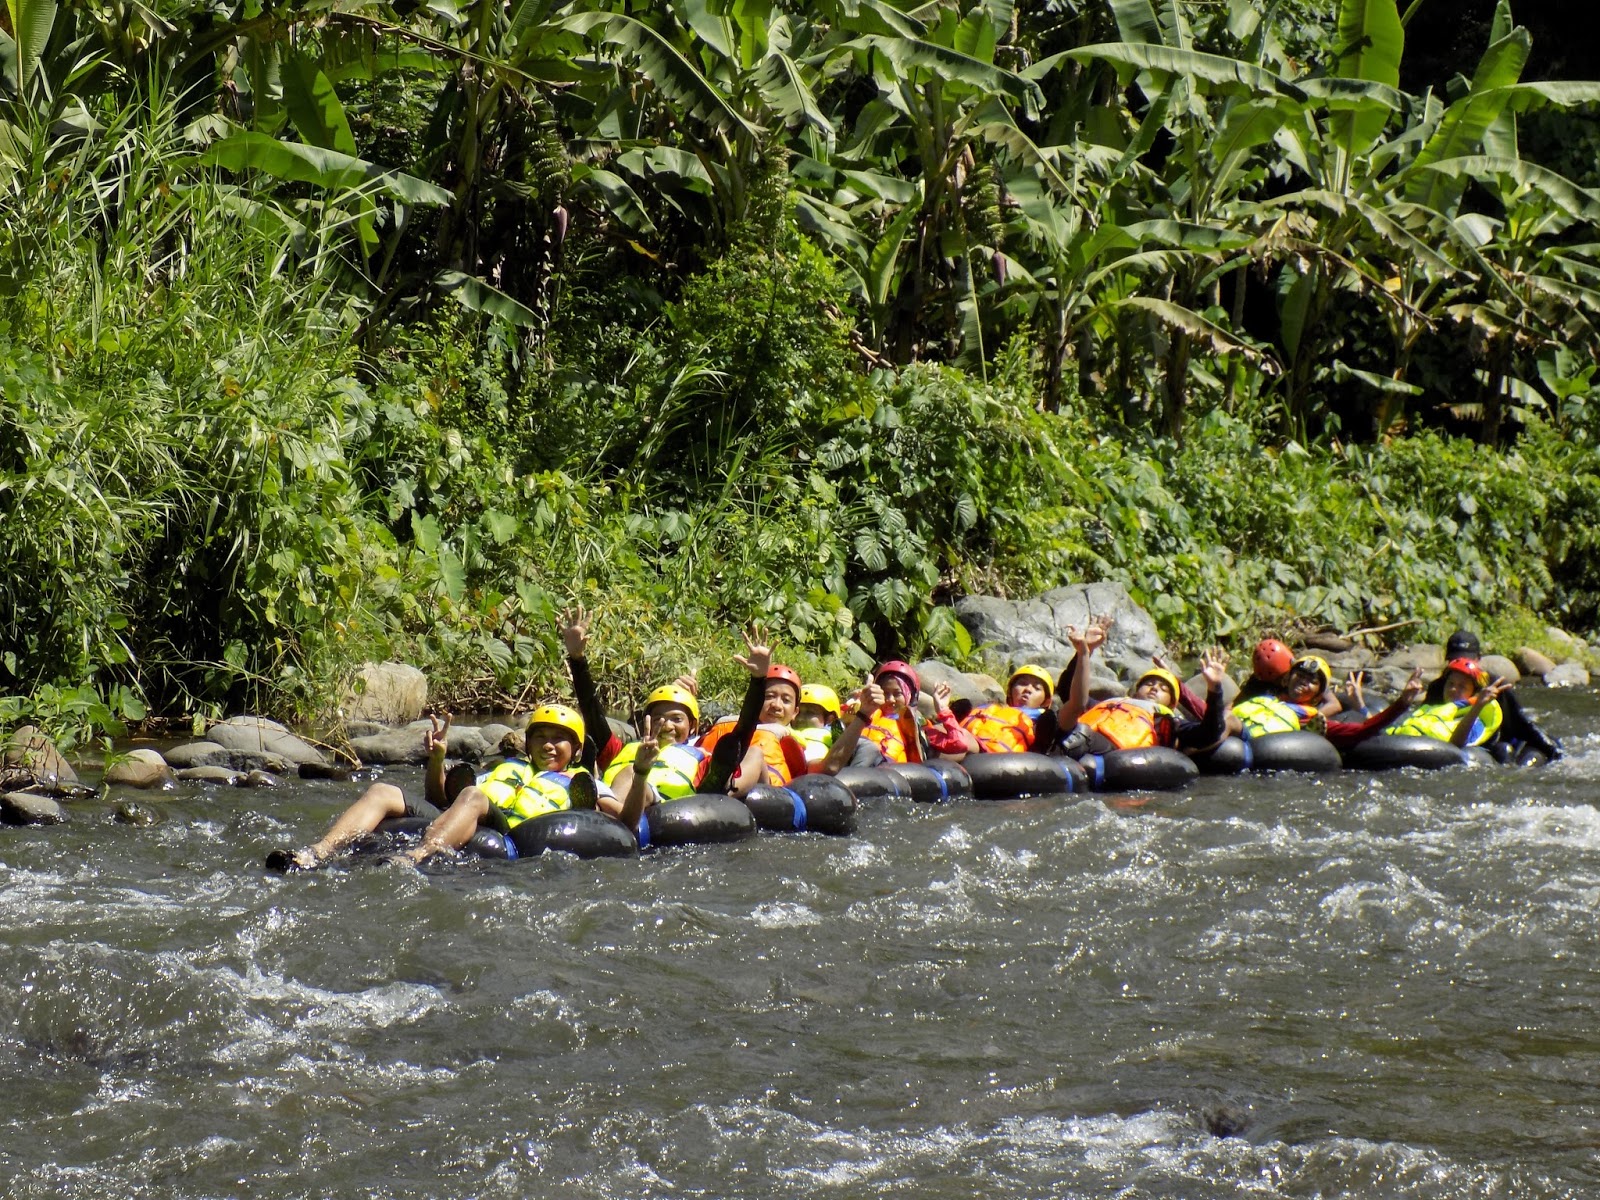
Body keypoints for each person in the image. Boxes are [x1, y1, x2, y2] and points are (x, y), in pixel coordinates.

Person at [266, 707, 657, 871]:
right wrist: (437, 760)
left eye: (560, 739)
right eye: (541, 737)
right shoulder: (506, 767)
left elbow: (625, 820)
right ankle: (315, 854)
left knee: (472, 796)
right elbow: (439, 801)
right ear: (528, 741)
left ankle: (416, 857)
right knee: (384, 789)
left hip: (515, 829)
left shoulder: (580, 780)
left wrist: (639, 774)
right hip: (471, 815)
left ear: (575, 750)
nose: (549, 745)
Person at [1052, 616, 1230, 757]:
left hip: (1114, 751)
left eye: (1163, 689)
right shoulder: (1111, 703)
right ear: (1136, 692)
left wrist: (1215, 689)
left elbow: (1209, 733)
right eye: (1149, 684)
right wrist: (1086, 650)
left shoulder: (1168, 722)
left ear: (1172, 704)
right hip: (1081, 737)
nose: (1154, 688)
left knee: (1081, 733)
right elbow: (1068, 691)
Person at [1422, 630, 1561, 761]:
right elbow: (1422, 720)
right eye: (1455, 660)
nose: (1461, 666)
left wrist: (1551, 749)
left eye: (1467, 661)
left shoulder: (1495, 685)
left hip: (1493, 743)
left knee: (1504, 750)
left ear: (1478, 660)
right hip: (1455, 741)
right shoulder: (1437, 687)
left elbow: (1520, 723)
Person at [1230, 658, 1426, 749]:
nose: (1303, 682)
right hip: (1229, 735)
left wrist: (1402, 703)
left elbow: (1361, 731)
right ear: (1286, 679)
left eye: (1312, 681)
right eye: (1300, 675)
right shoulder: (1262, 698)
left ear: (1317, 697)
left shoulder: (1312, 720)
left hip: (1259, 747)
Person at [821, 661, 976, 769]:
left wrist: (943, 709)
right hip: (853, 759)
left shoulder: (917, 726)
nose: (890, 700)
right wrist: (858, 703)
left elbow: (959, 744)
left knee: (868, 749)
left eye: (897, 694)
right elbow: (833, 724)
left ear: (911, 695)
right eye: (885, 693)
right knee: (863, 746)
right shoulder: (864, 712)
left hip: (887, 769)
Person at [603, 684, 710, 805]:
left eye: (677, 719)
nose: (667, 726)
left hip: (662, 811)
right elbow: (593, 714)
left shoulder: (703, 760)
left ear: (692, 725)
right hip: (607, 798)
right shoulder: (623, 748)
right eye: (658, 719)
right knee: (625, 774)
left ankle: (608, 813)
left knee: (630, 775)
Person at [1384, 657, 1509, 747]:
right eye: (1450, 684)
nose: (1453, 689)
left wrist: (1478, 706)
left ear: (1473, 693)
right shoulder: (1428, 709)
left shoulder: (1477, 721)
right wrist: (1404, 700)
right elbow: (1390, 728)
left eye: (1462, 687)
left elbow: (1457, 744)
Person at [961, 663, 1056, 753]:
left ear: (1046, 701)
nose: (1028, 689)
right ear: (1010, 691)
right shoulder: (988, 708)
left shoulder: (1040, 722)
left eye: (1036, 688)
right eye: (1022, 683)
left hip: (999, 760)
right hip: (964, 745)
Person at [792, 684, 843, 766]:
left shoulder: (819, 746)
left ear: (830, 718)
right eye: (798, 712)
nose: (800, 719)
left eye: (810, 713)